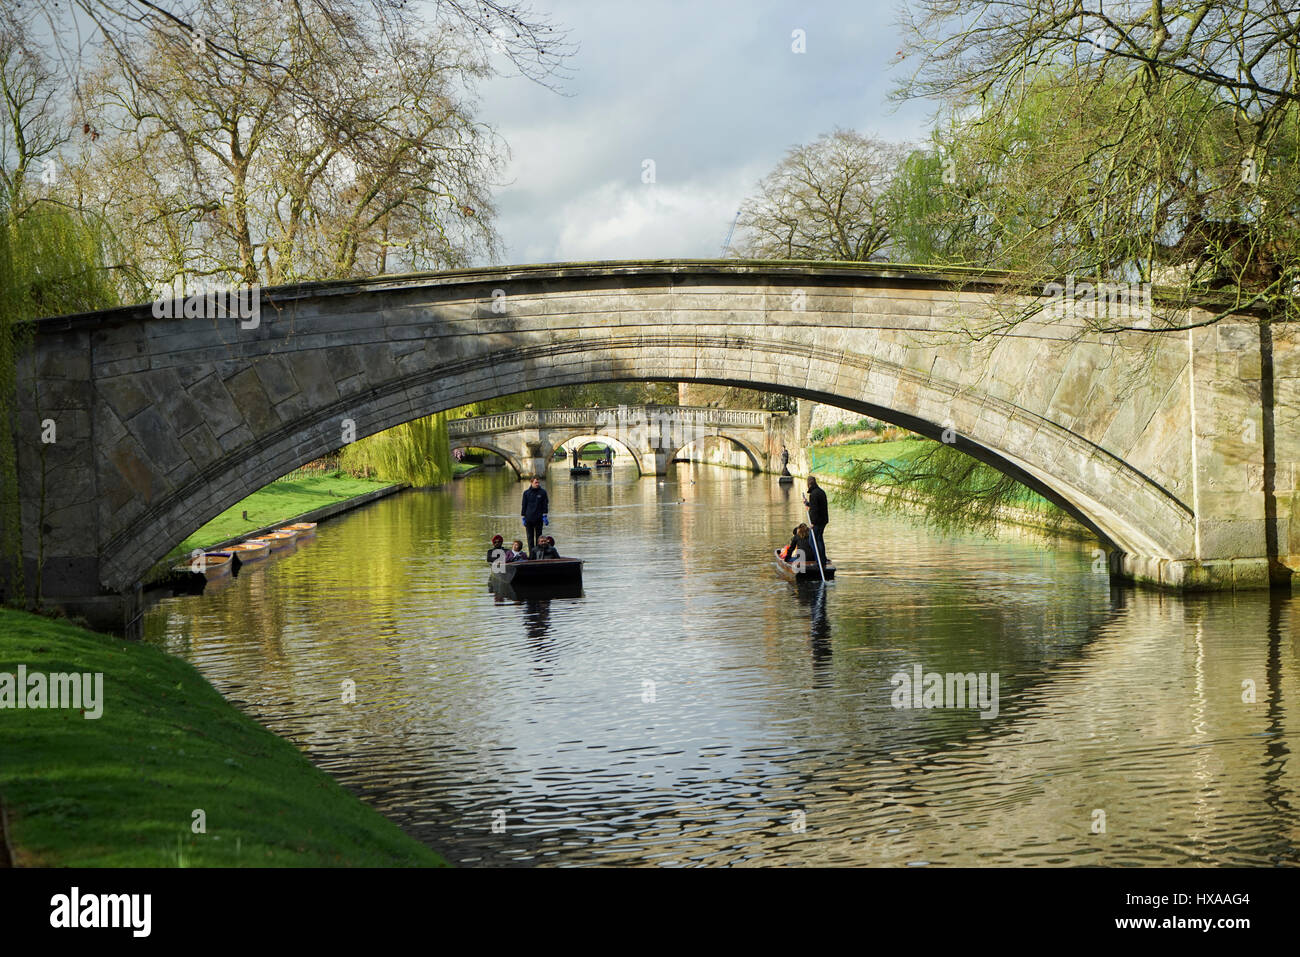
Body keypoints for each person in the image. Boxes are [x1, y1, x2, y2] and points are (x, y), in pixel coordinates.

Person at [803, 475, 830, 564]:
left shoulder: (813, 494)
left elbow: (815, 510)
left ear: (809, 484)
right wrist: (807, 503)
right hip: (823, 520)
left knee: (812, 541)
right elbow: (816, 505)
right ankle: (823, 559)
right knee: (819, 539)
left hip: (817, 522)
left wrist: (813, 523)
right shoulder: (821, 492)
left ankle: (819, 560)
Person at [521, 476, 549, 552]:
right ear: (531, 482)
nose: (537, 484)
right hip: (529, 519)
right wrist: (523, 517)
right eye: (535, 482)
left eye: (538, 482)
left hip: (539, 518)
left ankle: (539, 554)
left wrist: (545, 515)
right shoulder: (526, 493)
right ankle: (531, 555)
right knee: (530, 539)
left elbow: (545, 504)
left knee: (539, 538)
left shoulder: (543, 492)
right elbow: (524, 505)